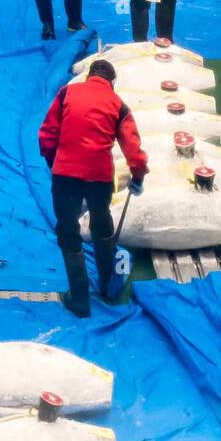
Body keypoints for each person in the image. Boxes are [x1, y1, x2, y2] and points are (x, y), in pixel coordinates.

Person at [38, 59, 148, 318]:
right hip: (99, 176)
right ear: (111, 82)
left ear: (88, 77)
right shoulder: (118, 105)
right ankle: (108, 285)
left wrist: (54, 162)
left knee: (68, 229)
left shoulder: (67, 92)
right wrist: (138, 177)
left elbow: (46, 134)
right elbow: (134, 150)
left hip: (66, 174)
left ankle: (79, 299)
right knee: (101, 220)